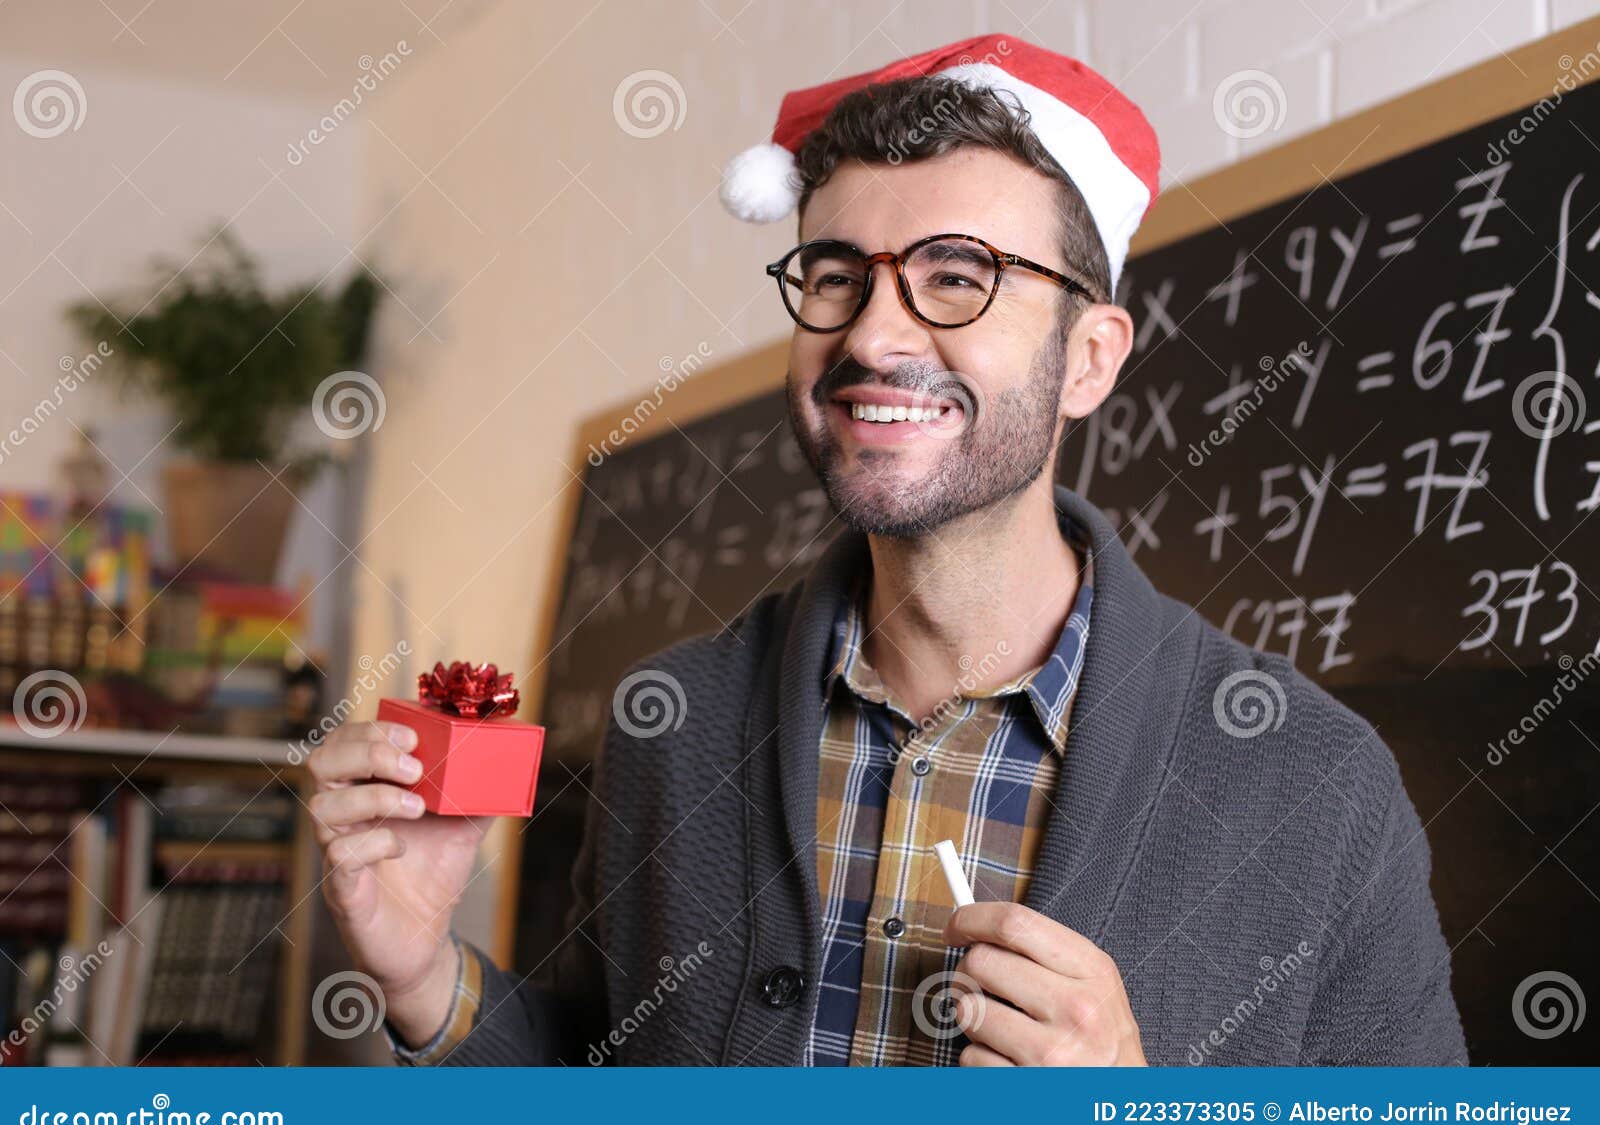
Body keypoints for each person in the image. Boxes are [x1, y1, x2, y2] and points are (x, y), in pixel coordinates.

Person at [308, 34, 1468, 1067]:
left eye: (956, 278)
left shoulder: (1313, 784)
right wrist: (422, 976)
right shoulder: (673, 722)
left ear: (1090, 357)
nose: (870, 332)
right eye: (834, 276)